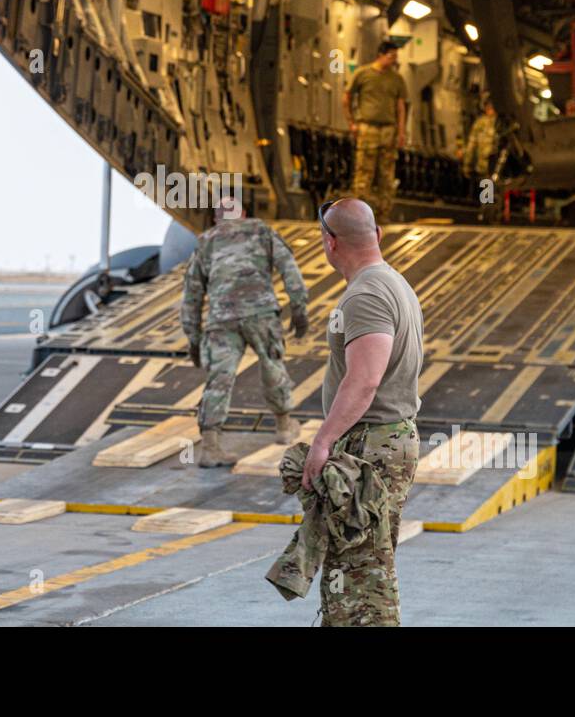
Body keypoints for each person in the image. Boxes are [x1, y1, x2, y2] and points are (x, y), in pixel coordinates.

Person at [304, 198, 422, 626]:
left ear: (330, 243)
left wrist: (323, 441)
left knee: (360, 576)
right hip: (384, 441)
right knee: (360, 563)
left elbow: (364, 379)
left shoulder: (367, 295)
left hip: (371, 446)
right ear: (378, 236)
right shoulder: (393, 283)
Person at [181, 196, 309, 467]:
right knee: (272, 364)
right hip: (259, 313)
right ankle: (284, 427)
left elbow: (191, 294)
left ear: (216, 218)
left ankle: (211, 446)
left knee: (219, 378)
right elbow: (289, 268)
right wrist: (299, 309)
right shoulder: (261, 230)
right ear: (244, 214)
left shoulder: (206, 241)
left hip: (221, 319)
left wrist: (193, 338)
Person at [345, 40, 409, 222]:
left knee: (386, 176)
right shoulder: (363, 74)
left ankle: (383, 215)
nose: (394, 60)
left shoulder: (397, 79)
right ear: (380, 55)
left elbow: (400, 107)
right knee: (363, 173)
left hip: (388, 131)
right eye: (391, 56)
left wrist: (402, 131)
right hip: (367, 128)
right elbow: (347, 96)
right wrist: (352, 121)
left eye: (396, 57)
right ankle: (359, 216)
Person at [461, 99, 498, 179]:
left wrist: (467, 167)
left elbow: (471, 147)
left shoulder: (480, 123)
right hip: (494, 169)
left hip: (485, 169)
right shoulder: (503, 121)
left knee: (488, 189)